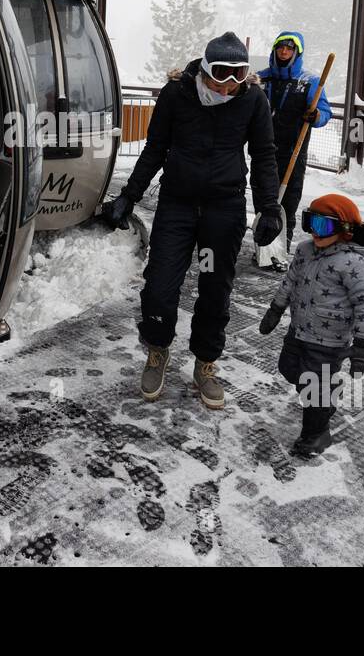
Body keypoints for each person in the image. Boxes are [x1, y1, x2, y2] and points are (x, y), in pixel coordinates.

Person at [101, 32, 284, 410]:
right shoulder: (177, 94)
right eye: (221, 74)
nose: (229, 85)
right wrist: (129, 195)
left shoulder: (252, 100)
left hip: (223, 212)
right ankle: (157, 350)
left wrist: (269, 207)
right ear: (205, 68)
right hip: (178, 207)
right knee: (160, 286)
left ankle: (205, 362)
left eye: (238, 75)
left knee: (214, 288)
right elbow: (155, 148)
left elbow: (264, 155)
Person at [259, 194, 364, 456]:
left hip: (330, 342)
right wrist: (275, 309)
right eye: (310, 222)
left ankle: (316, 434)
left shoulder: (353, 263)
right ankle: (326, 393)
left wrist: (363, 345)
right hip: (299, 331)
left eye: (323, 225)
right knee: (288, 368)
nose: (315, 232)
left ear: (345, 230)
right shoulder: (305, 250)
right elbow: (290, 281)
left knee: (314, 391)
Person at [256, 31, 332, 269]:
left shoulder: (309, 82)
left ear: (297, 53)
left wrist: (316, 115)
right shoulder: (260, 79)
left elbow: (325, 112)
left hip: (293, 154)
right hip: (262, 151)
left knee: (287, 204)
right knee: (262, 200)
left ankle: (280, 251)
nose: (284, 52)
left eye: (289, 49)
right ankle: (262, 248)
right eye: (281, 47)